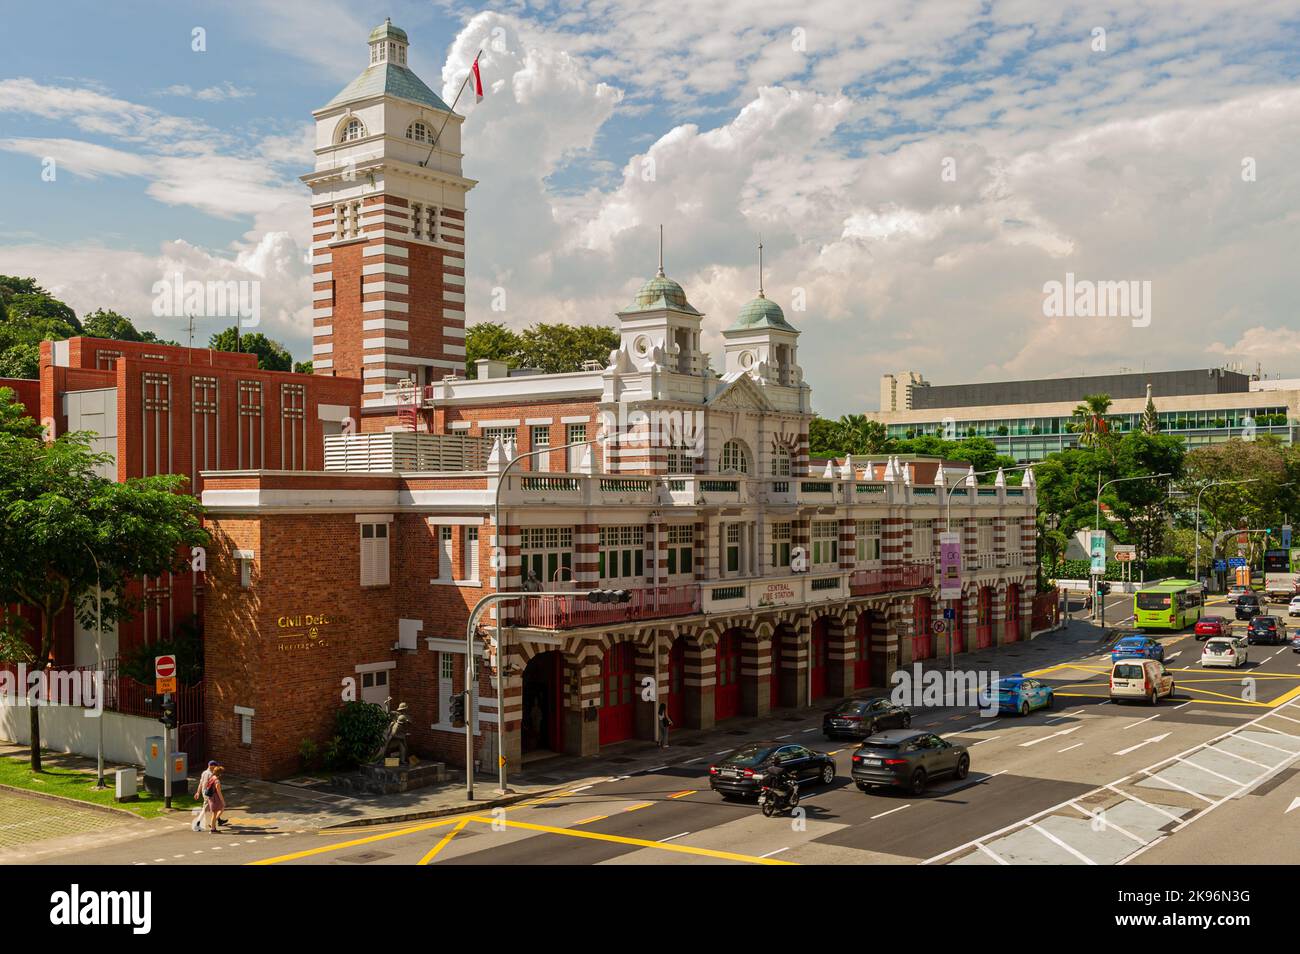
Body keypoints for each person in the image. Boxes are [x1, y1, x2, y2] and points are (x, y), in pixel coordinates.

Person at [193, 760, 217, 831]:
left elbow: (200, 783)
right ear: (211, 766)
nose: (215, 767)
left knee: (214, 807)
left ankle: (218, 820)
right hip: (208, 794)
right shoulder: (211, 774)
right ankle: (197, 824)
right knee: (205, 809)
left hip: (204, 792)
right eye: (215, 766)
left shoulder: (204, 773)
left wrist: (198, 792)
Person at [203, 766, 226, 835]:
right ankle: (213, 829)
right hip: (215, 798)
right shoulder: (217, 781)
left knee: (216, 811)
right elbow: (219, 792)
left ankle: (213, 826)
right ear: (220, 773)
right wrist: (223, 801)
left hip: (211, 797)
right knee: (216, 812)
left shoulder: (212, 778)